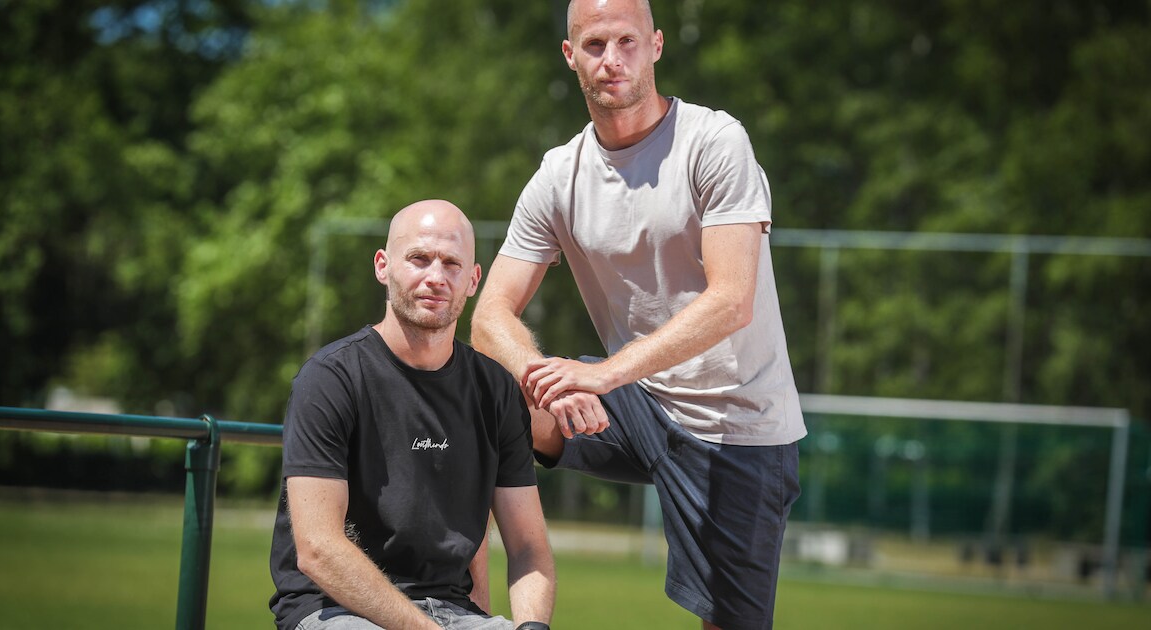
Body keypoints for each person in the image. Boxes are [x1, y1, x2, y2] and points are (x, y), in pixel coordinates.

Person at [470, 1, 805, 628]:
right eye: (595, 45)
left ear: (655, 46)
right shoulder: (559, 174)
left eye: (626, 41)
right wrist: (542, 375)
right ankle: (471, 612)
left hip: (738, 427)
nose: (612, 60)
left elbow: (732, 299)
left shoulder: (713, 141)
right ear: (571, 57)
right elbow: (489, 314)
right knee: (489, 401)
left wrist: (602, 374)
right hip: (635, 403)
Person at [270, 200, 556, 630]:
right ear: (383, 266)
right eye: (419, 259)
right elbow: (317, 549)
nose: (436, 277)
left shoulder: (495, 390)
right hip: (336, 609)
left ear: (473, 279)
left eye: (452, 264)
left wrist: (531, 626)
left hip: (452, 613)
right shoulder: (330, 378)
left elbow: (529, 548)